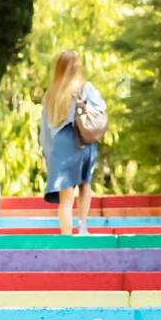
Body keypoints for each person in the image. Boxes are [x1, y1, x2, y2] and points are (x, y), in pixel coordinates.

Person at [40, 50, 105, 235]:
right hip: (83, 140)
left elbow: (44, 132)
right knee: (85, 184)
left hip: (61, 144)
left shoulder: (50, 95)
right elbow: (101, 110)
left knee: (65, 197)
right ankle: (83, 226)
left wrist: (47, 154)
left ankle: (67, 235)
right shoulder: (86, 88)